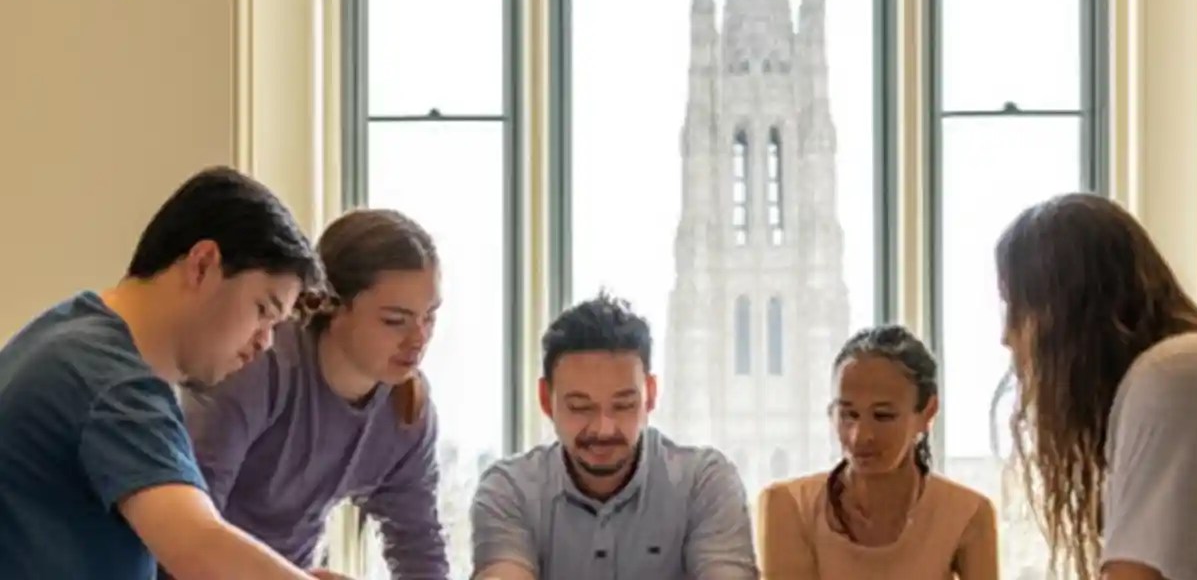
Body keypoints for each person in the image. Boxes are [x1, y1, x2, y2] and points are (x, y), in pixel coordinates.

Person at [0, 166, 349, 580]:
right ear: (202, 265)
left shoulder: (71, 334)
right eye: (263, 310)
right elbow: (198, 549)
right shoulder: (112, 381)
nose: (265, 341)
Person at [996, 193, 1197, 580]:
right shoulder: (1178, 373)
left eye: (1016, 308)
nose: (1006, 337)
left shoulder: (1175, 375)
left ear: (1062, 312)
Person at [179, 208, 448, 578]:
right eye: (395, 320)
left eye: (429, 316)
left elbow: (419, 547)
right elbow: (187, 534)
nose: (419, 339)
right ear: (331, 306)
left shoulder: (407, 411)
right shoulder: (257, 367)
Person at [470, 292, 759, 579]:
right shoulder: (510, 491)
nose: (603, 429)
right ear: (546, 400)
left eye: (623, 406)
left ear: (650, 396)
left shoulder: (703, 484)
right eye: (580, 407)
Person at [757, 325, 998, 579]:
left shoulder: (967, 515)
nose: (860, 436)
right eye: (848, 415)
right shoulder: (790, 507)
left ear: (927, 413)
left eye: (883, 416)